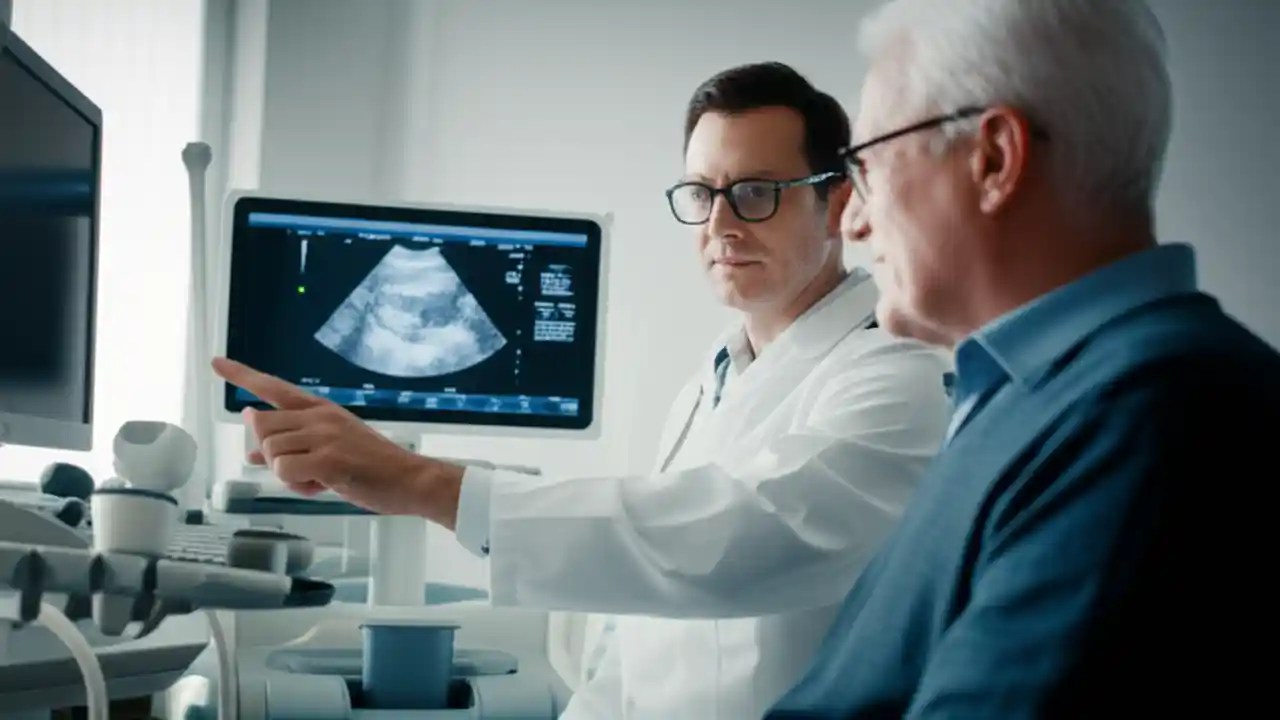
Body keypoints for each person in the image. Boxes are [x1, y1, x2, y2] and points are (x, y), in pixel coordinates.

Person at [213, 61, 953, 719]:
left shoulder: (901, 377)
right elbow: (638, 643)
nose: (721, 224)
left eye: (756, 192)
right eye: (703, 193)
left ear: (840, 203)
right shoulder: (713, 380)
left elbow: (739, 539)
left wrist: (418, 483)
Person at [761, 0, 1280, 718]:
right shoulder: (1039, 398)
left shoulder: (1152, 415)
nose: (852, 222)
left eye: (868, 167)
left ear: (995, 159)